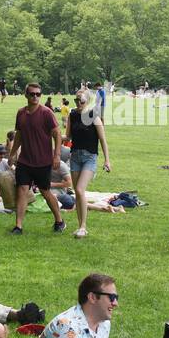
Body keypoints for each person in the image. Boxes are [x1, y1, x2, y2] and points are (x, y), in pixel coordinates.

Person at [8, 82, 65, 235]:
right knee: (22, 190)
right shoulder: (21, 113)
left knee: (45, 191)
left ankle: (59, 220)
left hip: (43, 161)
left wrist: (57, 155)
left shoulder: (46, 113)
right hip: (25, 161)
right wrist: (13, 154)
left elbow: (57, 134)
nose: (35, 97)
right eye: (32, 94)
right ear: (26, 95)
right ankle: (18, 226)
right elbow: (19, 135)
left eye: (38, 94)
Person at [65, 89, 111, 238]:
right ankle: (80, 226)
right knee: (78, 194)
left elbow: (103, 140)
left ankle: (83, 227)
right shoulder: (72, 115)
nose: (78, 103)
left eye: (82, 101)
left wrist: (107, 161)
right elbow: (67, 136)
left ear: (88, 101)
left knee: (79, 190)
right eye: (76, 100)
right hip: (75, 157)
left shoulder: (94, 116)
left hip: (89, 157)